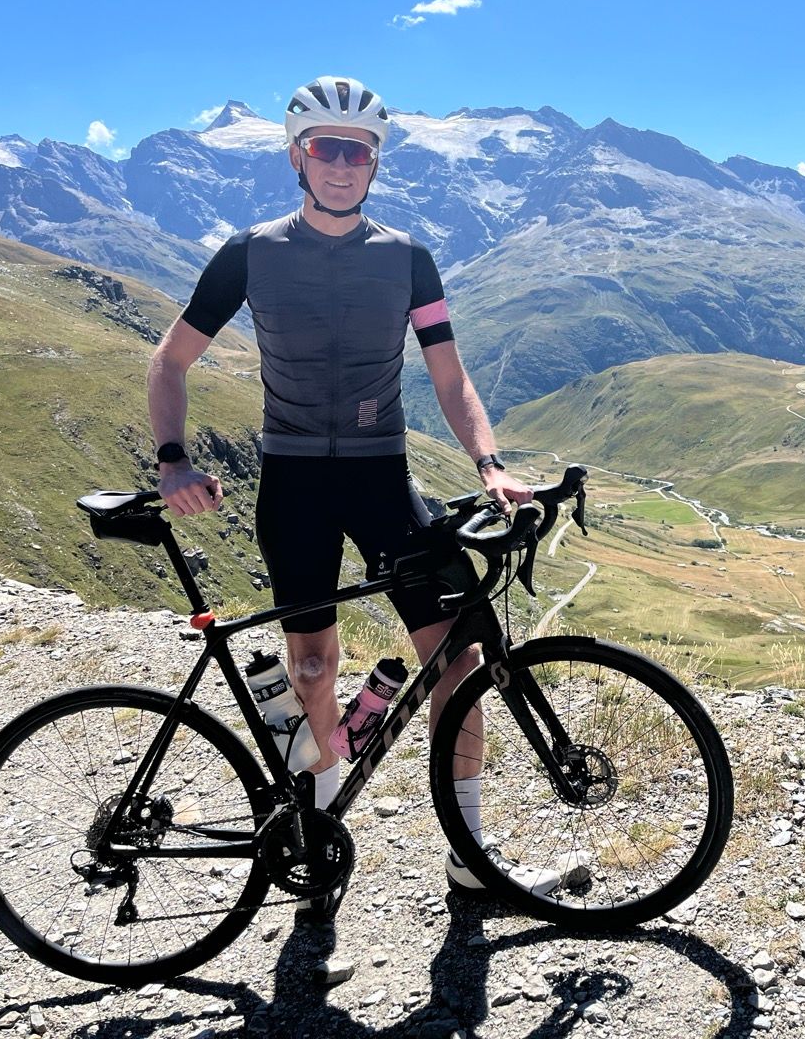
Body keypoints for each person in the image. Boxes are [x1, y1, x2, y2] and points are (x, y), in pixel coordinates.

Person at [147, 75, 554, 908]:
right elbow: (170, 361)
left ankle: (469, 852)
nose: (342, 164)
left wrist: (488, 462)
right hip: (292, 478)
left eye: (358, 151)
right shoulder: (249, 252)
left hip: (381, 476)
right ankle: (315, 831)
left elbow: (450, 374)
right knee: (311, 660)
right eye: (326, 148)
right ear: (298, 156)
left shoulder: (406, 258)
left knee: (458, 658)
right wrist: (173, 460)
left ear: (375, 163)